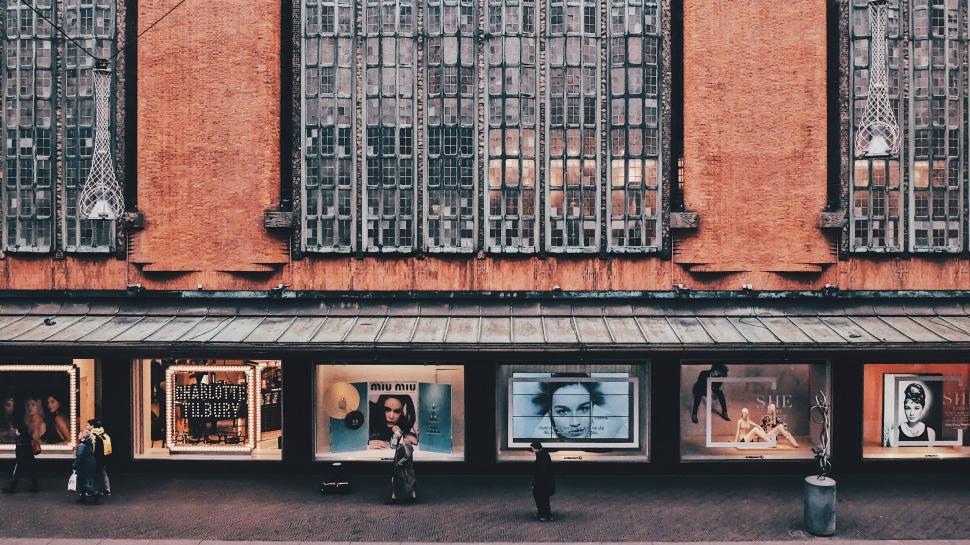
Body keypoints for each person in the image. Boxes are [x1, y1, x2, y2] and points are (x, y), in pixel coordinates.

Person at [531, 380, 626, 440]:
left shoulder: (615, 429)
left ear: (593, 408)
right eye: (563, 412)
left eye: (583, 409)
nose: (575, 422)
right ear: (550, 414)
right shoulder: (540, 440)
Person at [891, 382, 937, 446]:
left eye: (916, 408)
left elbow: (929, 455)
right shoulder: (894, 433)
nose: (911, 413)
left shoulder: (930, 432)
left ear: (922, 408)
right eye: (908, 408)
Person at [2, 426, 38, 493]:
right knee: (33, 473)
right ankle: (35, 487)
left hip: (21, 460)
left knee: (16, 475)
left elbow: (19, 451)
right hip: (30, 458)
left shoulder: (19, 440)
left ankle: (11, 488)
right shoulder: (29, 438)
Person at [389, 430, 416, 503]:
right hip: (400, 465)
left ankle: (411, 497)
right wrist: (394, 439)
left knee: (407, 480)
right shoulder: (398, 440)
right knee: (396, 480)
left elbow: (408, 454)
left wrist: (400, 462)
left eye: (396, 433)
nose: (395, 434)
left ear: (400, 434)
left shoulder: (405, 442)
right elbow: (392, 446)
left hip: (405, 466)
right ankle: (395, 497)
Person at [530, 440, 555, 522]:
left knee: (543, 499)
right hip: (543, 482)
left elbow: (542, 472)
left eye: (533, 448)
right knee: (541, 498)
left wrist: (536, 484)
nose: (532, 450)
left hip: (543, 483)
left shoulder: (542, 456)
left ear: (537, 448)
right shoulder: (542, 454)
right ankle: (542, 513)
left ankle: (546, 515)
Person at [86, 419, 112, 496]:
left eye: (87, 425)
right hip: (103, 457)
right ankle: (108, 490)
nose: (86, 426)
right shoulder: (103, 433)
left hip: (95, 457)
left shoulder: (93, 434)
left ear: (92, 426)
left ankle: (90, 490)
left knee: (91, 473)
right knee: (103, 473)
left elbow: (92, 447)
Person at [72, 429, 98, 503]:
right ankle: (83, 497)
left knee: (81, 482)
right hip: (90, 464)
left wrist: (74, 464)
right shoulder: (89, 443)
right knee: (84, 481)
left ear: (83, 436)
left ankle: (94, 493)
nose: (78, 435)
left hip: (83, 465)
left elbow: (79, 457)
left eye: (80, 434)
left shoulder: (81, 445)